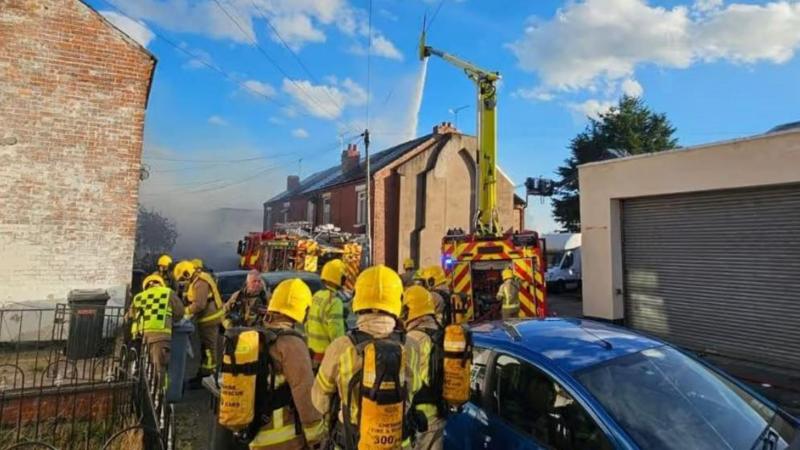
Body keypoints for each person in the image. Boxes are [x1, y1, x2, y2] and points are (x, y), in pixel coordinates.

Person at [311, 265, 420, 450]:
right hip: (398, 442)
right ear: (397, 302)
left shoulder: (341, 347)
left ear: (358, 300)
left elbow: (319, 400)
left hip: (351, 442)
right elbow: (414, 387)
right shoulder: (411, 346)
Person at [247, 278, 325, 450]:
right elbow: (304, 393)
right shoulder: (291, 344)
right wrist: (317, 438)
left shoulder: (256, 336)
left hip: (255, 435)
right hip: (284, 440)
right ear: (302, 309)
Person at [402, 285, 445, 450]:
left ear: (409, 310)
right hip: (440, 413)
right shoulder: (441, 332)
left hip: (421, 417)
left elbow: (407, 382)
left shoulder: (412, 339)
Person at [128, 274, 184, 389]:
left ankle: (142, 394)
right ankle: (159, 398)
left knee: (143, 368)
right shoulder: (168, 293)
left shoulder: (138, 297)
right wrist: (171, 320)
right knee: (159, 368)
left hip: (140, 337)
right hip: (160, 336)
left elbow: (129, 316)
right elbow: (179, 312)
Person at [174, 260, 224, 378]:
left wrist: (185, 312)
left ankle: (209, 376)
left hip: (210, 319)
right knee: (205, 348)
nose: (184, 281)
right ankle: (203, 373)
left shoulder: (200, 282)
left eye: (183, 278)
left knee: (209, 349)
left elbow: (199, 304)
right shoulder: (195, 281)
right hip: (205, 319)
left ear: (187, 273)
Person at [306, 259, 347, 369]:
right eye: (343, 278)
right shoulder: (334, 301)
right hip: (327, 358)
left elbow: (307, 325)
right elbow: (336, 333)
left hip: (312, 356)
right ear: (338, 278)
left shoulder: (317, 296)